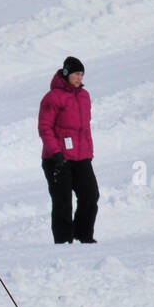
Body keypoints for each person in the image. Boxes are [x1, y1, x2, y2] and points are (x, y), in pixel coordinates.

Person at [38, 56, 98, 244]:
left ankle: (83, 236)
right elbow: (44, 127)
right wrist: (56, 152)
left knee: (90, 195)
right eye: (75, 73)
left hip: (81, 157)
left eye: (81, 74)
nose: (79, 77)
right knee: (63, 202)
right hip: (57, 158)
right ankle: (64, 242)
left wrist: (88, 153)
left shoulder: (84, 96)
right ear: (66, 74)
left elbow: (85, 128)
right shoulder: (53, 97)